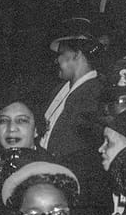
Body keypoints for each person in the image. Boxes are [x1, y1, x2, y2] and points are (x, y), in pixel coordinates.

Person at [40, 28, 105, 159]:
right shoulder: (59, 89)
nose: (57, 60)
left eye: (61, 54)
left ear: (77, 55)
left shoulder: (95, 93)